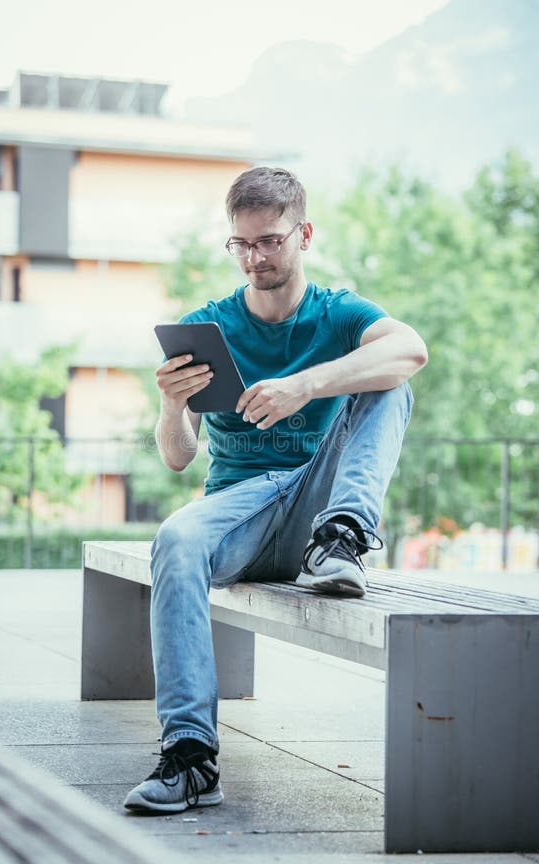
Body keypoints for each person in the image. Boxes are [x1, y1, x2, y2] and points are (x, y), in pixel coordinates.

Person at [124, 166, 427, 815]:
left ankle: (344, 537)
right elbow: (179, 461)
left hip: (316, 508)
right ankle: (190, 755)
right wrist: (170, 409)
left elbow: (412, 349)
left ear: (304, 234)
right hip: (237, 510)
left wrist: (308, 384)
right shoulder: (208, 327)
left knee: (391, 379)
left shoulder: (338, 314)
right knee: (175, 535)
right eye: (242, 244)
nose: (255, 257)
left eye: (270, 241)